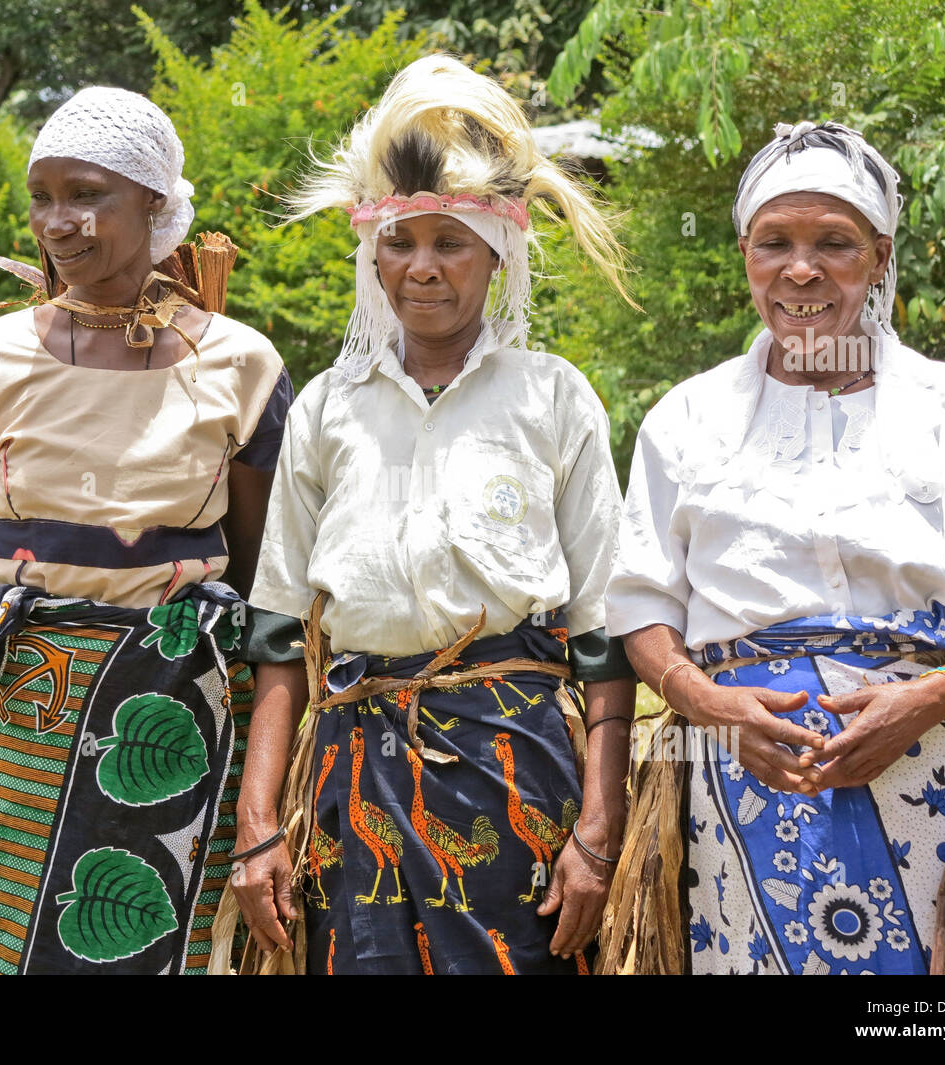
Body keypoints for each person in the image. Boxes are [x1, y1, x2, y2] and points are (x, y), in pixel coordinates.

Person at [230, 55, 637, 975]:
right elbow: (280, 632)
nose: (423, 268)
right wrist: (259, 827)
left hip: (518, 768)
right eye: (403, 242)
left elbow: (607, 635)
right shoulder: (328, 407)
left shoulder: (554, 401)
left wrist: (599, 831)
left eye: (451, 241)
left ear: (499, 252)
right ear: (372, 253)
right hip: (353, 765)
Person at [606, 120, 945, 975]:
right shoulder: (687, 420)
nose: (801, 270)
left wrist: (928, 698)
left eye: (833, 243)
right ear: (744, 253)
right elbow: (643, 604)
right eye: (776, 242)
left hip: (933, 773)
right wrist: (709, 704)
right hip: (739, 780)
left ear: (879, 257)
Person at [0, 86, 292, 974]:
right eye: (42, 196)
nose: (57, 222)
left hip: (178, 719)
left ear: (156, 203)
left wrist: (272, 787)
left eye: (86, 194)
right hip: (25, 719)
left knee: (170, 943)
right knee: (19, 952)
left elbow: (272, 587)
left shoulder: (240, 364)